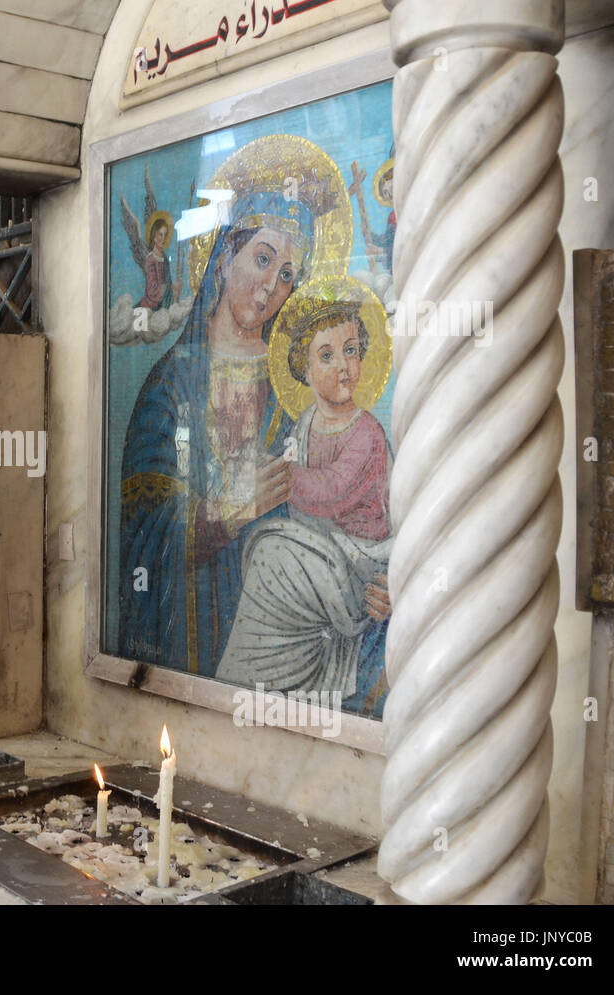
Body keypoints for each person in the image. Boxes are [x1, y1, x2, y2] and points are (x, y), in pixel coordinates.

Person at [118, 178, 320, 673]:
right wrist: (235, 508)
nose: (272, 285)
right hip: (193, 617)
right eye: (264, 258)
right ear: (227, 256)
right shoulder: (172, 383)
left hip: (269, 620)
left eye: (288, 274)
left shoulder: (292, 390)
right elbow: (146, 526)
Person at [215, 287, 393, 715]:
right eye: (327, 356)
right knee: (266, 552)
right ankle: (254, 680)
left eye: (351, 351)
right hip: (321, 553)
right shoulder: (306, 422)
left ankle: (241, 680)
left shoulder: (367, 433)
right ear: (306, 371)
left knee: (272, 555)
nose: (344, 366)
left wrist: (282, 476)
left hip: (359, 567)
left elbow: (330, 491)